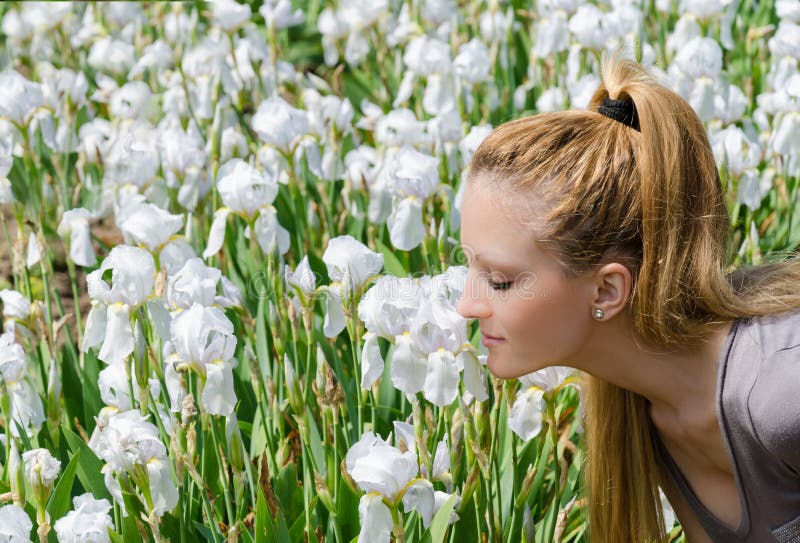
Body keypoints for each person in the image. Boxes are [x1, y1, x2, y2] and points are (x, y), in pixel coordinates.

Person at [454, 54, 800, 543]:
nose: (466, 306)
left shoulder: (781, 390)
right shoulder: (651, 414)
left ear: (607, 290)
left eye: (500, 280)